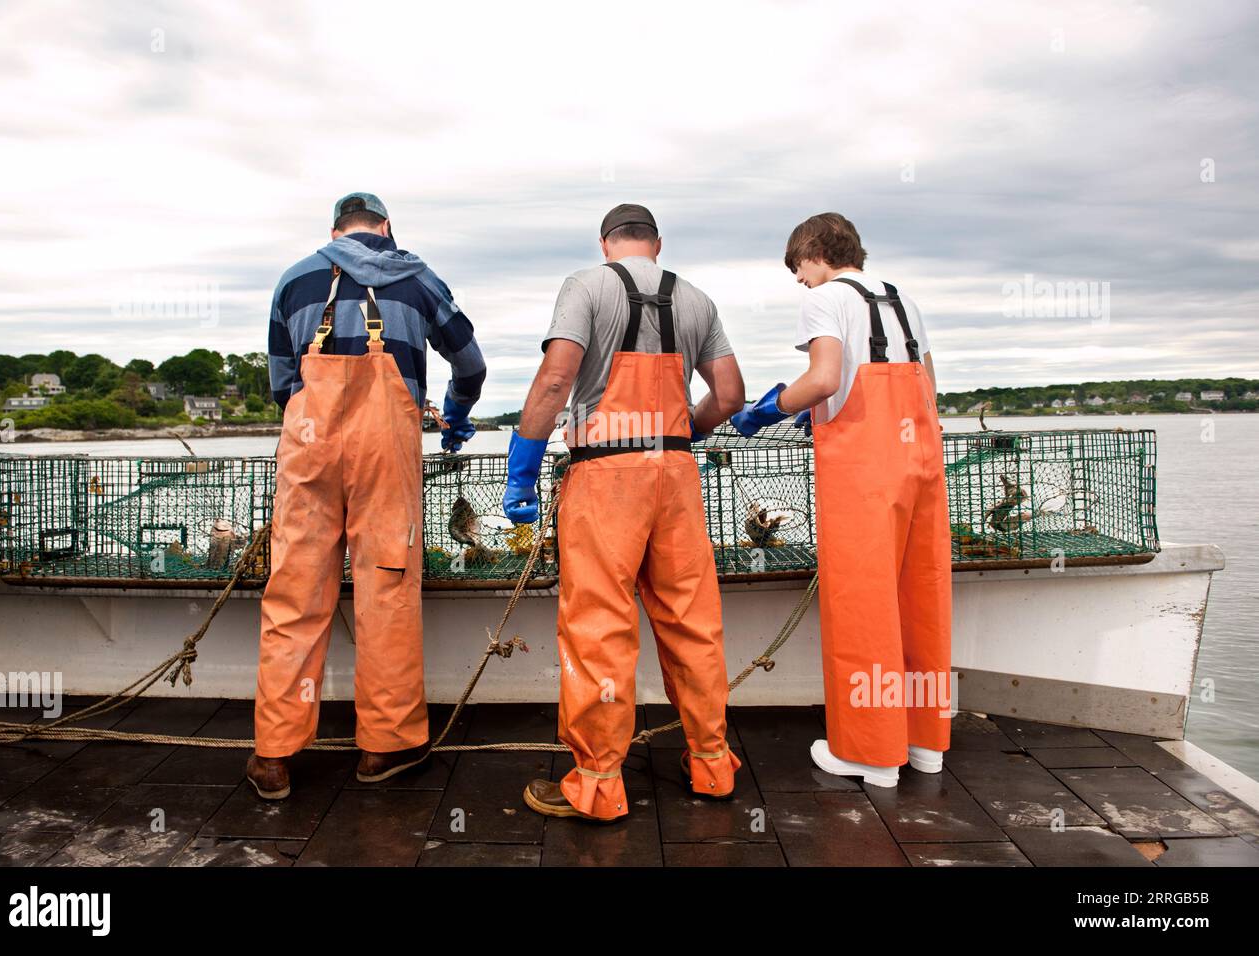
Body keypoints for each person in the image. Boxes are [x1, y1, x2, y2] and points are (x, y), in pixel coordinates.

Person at [503, 204, 746, 821]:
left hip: (605, 476)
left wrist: (524, 464)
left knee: (598, 627)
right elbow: (731, 395)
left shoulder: (584, 286)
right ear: (655, 244)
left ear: (606, 242)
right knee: (693, 620)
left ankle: (597, 784)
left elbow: (557, 381)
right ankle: (713, 765)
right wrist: (684, 430)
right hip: (677, 474)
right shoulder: (696, 300)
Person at [247, 192, 486, 800]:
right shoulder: (418, 276)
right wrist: (455, 414)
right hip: (387, 448)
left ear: (334, 232)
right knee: (387, 587)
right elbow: (471, 362)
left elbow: (282, 381)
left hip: (308, 446)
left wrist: (312, 424)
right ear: (386, 228)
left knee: (295, 589)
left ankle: (274, 755)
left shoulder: (294, 280)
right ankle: (385, 746)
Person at [732, 212, 952, 788]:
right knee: (922, 594)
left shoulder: (826, 297)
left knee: (863, 603)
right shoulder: (902, 300)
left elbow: (825, 378)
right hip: (923, 463)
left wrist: (773, 406)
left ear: (814, 254)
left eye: (797, 269)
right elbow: (927, 385)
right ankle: (924, 742)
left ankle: (870, 753)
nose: (799, 282)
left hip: (866, 472)